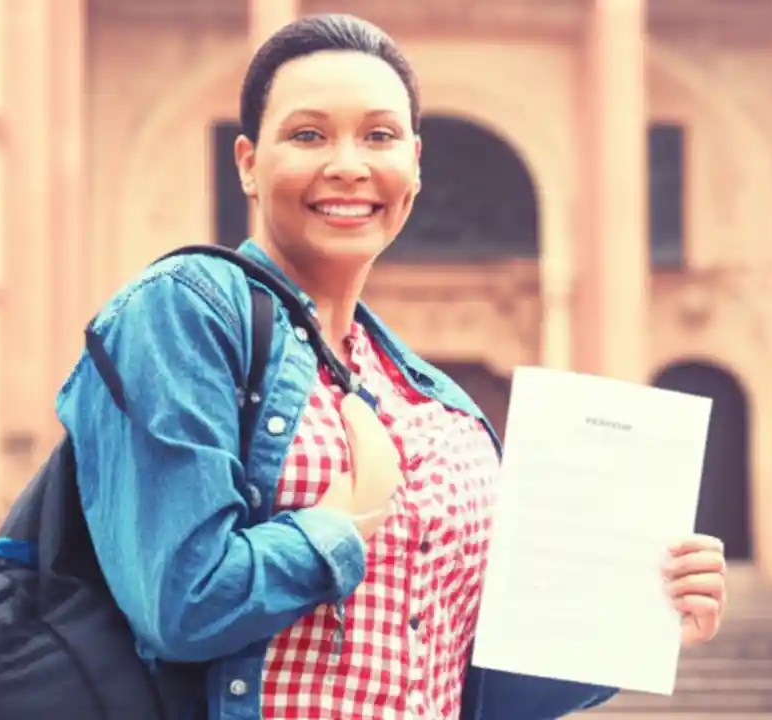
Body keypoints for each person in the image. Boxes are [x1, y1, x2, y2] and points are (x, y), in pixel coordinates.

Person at [57, 13, 727, 720]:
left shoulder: (432, 399)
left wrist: (637, 611)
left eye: (379, 136)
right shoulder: (189, 311)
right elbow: (180, 604)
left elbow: (467, 691)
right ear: (248, 162)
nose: (349, 164)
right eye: (309, 134)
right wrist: (340, 526)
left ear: (414, 162)